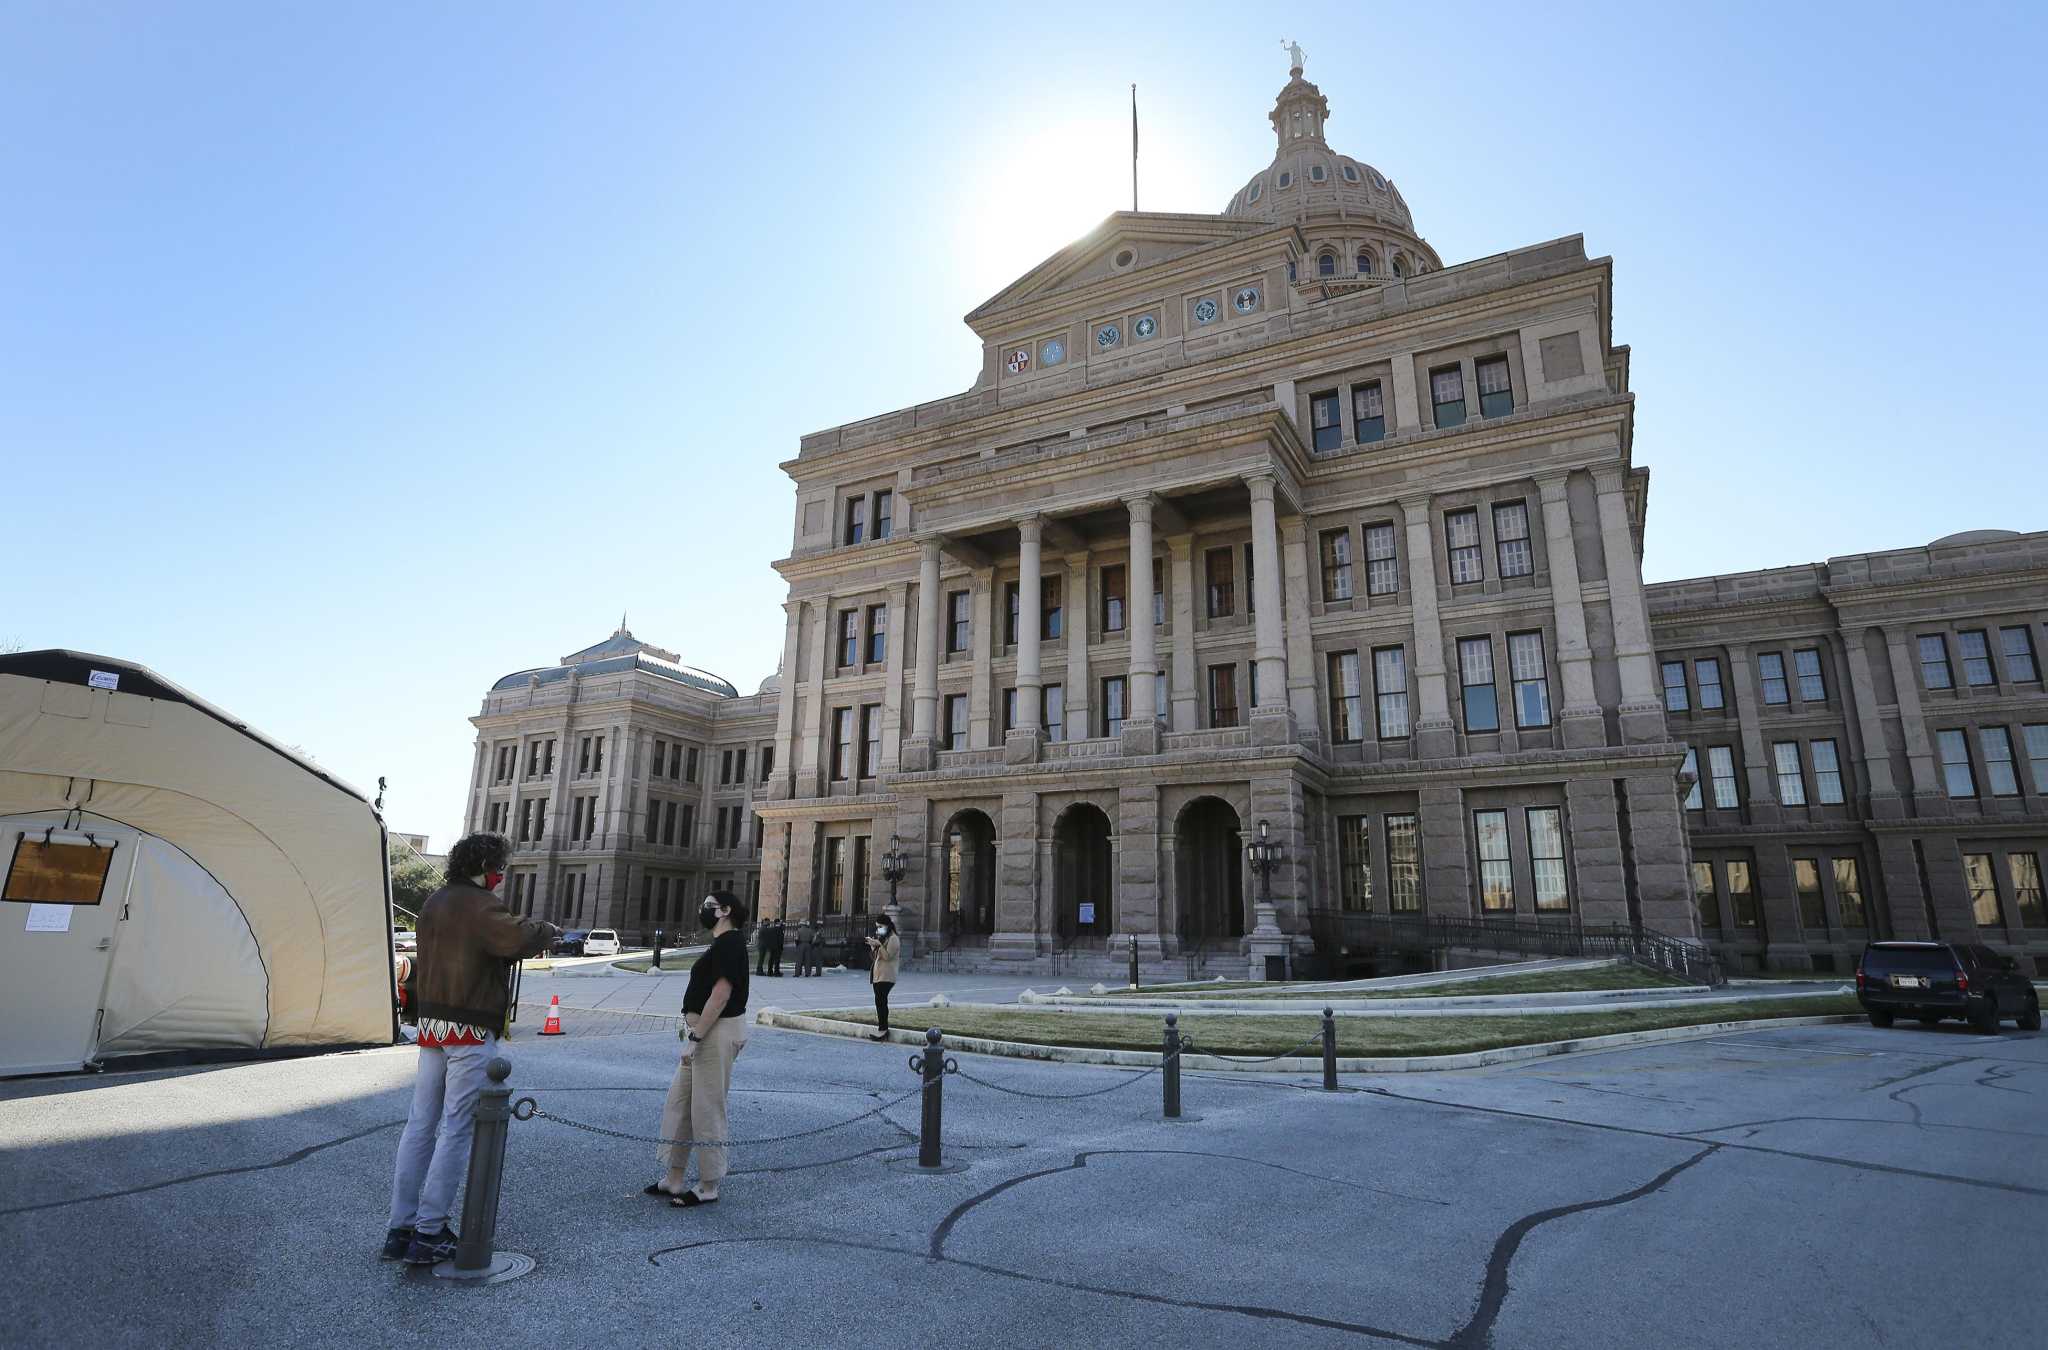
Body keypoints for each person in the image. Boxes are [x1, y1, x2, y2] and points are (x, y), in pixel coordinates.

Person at [383, 833, 557, 1264]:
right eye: (499, 867)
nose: (501, 875)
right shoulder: (481, 906)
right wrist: (548, 931)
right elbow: (516, 938)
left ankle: (399, 1227)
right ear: (485, 866)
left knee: (419, 1125)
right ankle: (430, 1231)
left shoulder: (434, 902)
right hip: (469, 1028)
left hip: (431, 1027)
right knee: (456, 1128)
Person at [648, 890, 750, 1208]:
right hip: (703, 1032)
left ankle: (709, 1183)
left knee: (707, 1107)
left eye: (709, 906)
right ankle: (674, 1177)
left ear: (726, 911)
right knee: (680, 1104)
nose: (703, 910)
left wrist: (695, 1039)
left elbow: (721, 994)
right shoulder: (719, 943)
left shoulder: (731, 942)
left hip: (715, 1033)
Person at [864, 913, 900, 1041]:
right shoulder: (884, 938)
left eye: (879, 926)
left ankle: (883, 1030)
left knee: (881, 1002)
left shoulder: (893, 939)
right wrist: (873, 946)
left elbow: (888, 956)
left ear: (886, 925)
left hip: (887, 976)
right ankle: (882, 1028)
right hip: (878, 975)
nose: (878, 929)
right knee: (879, 1002)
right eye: (877, 927)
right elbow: (876, 958)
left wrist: (878, 944)